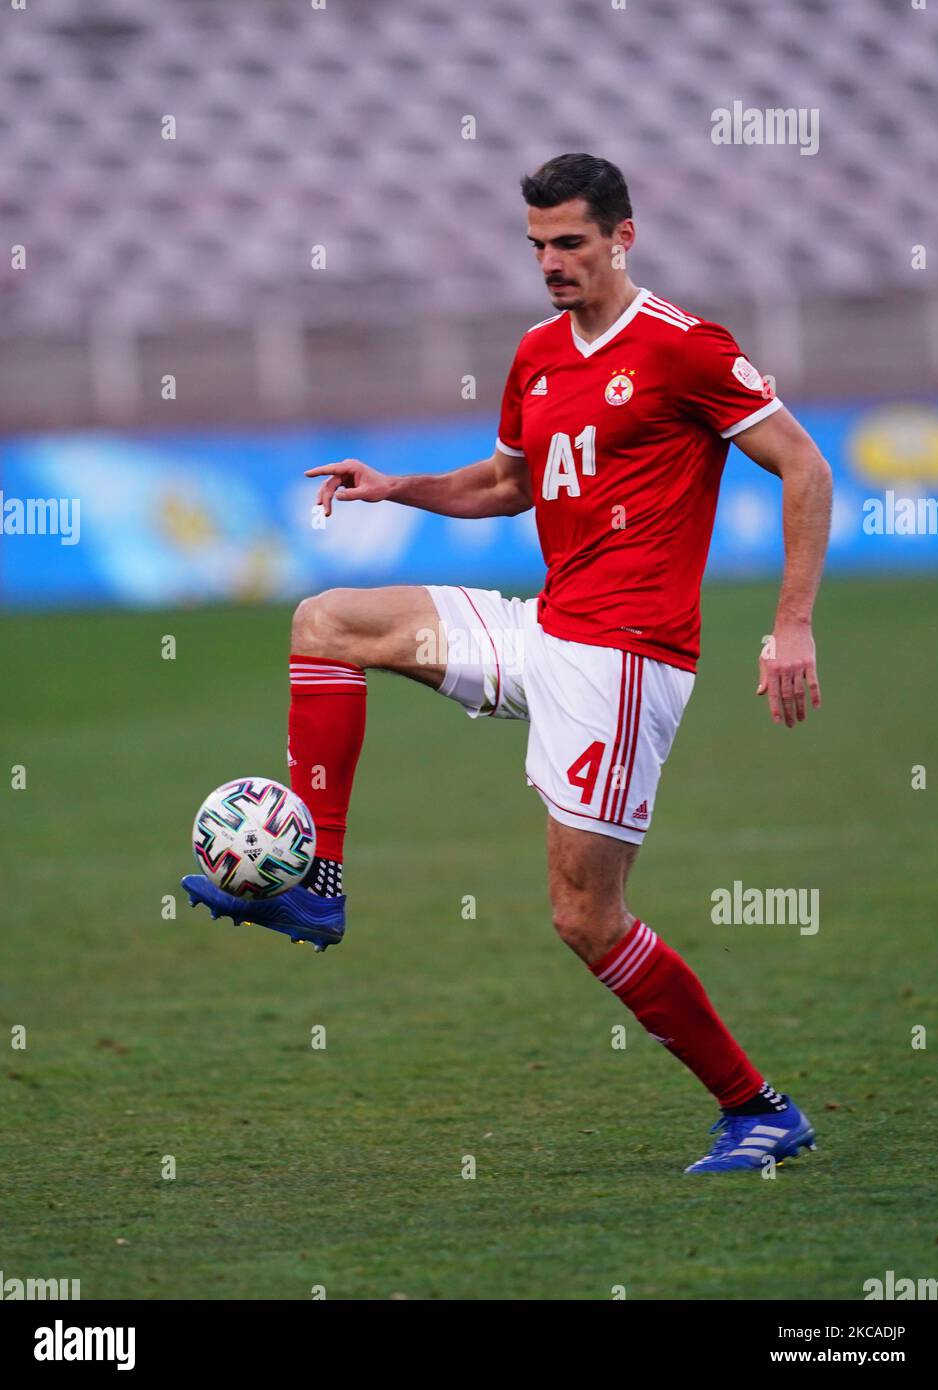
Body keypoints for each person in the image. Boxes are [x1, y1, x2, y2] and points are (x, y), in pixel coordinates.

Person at [183, 153, 832, 1173]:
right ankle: (315, 882)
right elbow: (505, 483)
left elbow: (803, 462)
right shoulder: (536, 353)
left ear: (622, 234)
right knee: (326, 622)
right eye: (536, 245)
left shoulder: (681, 348)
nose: (550, 263)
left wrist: (789, 623)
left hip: (622, 661)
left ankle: (755, 1108)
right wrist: (394, 485)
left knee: (582, 915)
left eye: (569, 242)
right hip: (545, 627)